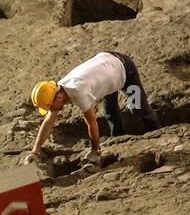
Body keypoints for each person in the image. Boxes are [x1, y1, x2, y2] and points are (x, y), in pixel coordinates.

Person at [26, 51, 158, 163]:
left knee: (138, 108)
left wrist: (95, 150)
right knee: (110, 112)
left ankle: (157, 133)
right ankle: (119, 139)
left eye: (50, 106)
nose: (51, 110)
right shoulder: (57, 89)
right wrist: (35, 151)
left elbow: (91, 122)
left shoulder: (78, 92)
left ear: (58, 97)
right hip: (107, 73)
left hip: (124, 69)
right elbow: (48, 122)